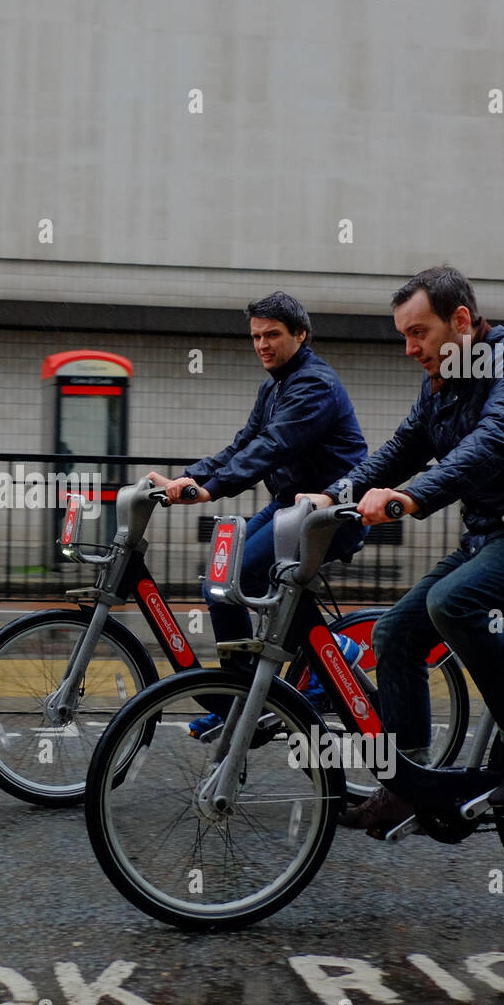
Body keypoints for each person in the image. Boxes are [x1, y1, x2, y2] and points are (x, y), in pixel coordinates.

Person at [298, 265, 504, 832]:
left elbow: (496, 441)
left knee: (455, 603)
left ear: (461, 320)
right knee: (395, 630)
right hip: (492, 536)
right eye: (404, 335)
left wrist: (411, 497)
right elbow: (399, 449)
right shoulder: (441, 383)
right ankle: (408, 780)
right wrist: (334, 495)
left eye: (419, 332)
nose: (410, 347)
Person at [148, 292, 368, 731]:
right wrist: (187, 478)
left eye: (272, 334)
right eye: (255, 336)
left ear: (300, 335)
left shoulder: (314, 384)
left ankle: (334, 650)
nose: (262, 344)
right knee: (219, 576)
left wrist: (210, 490)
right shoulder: (273, 387)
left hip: (328, 512)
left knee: (248, 571)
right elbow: (243, 445)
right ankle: (238, 696)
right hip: (290, 507)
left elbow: (273, 448)